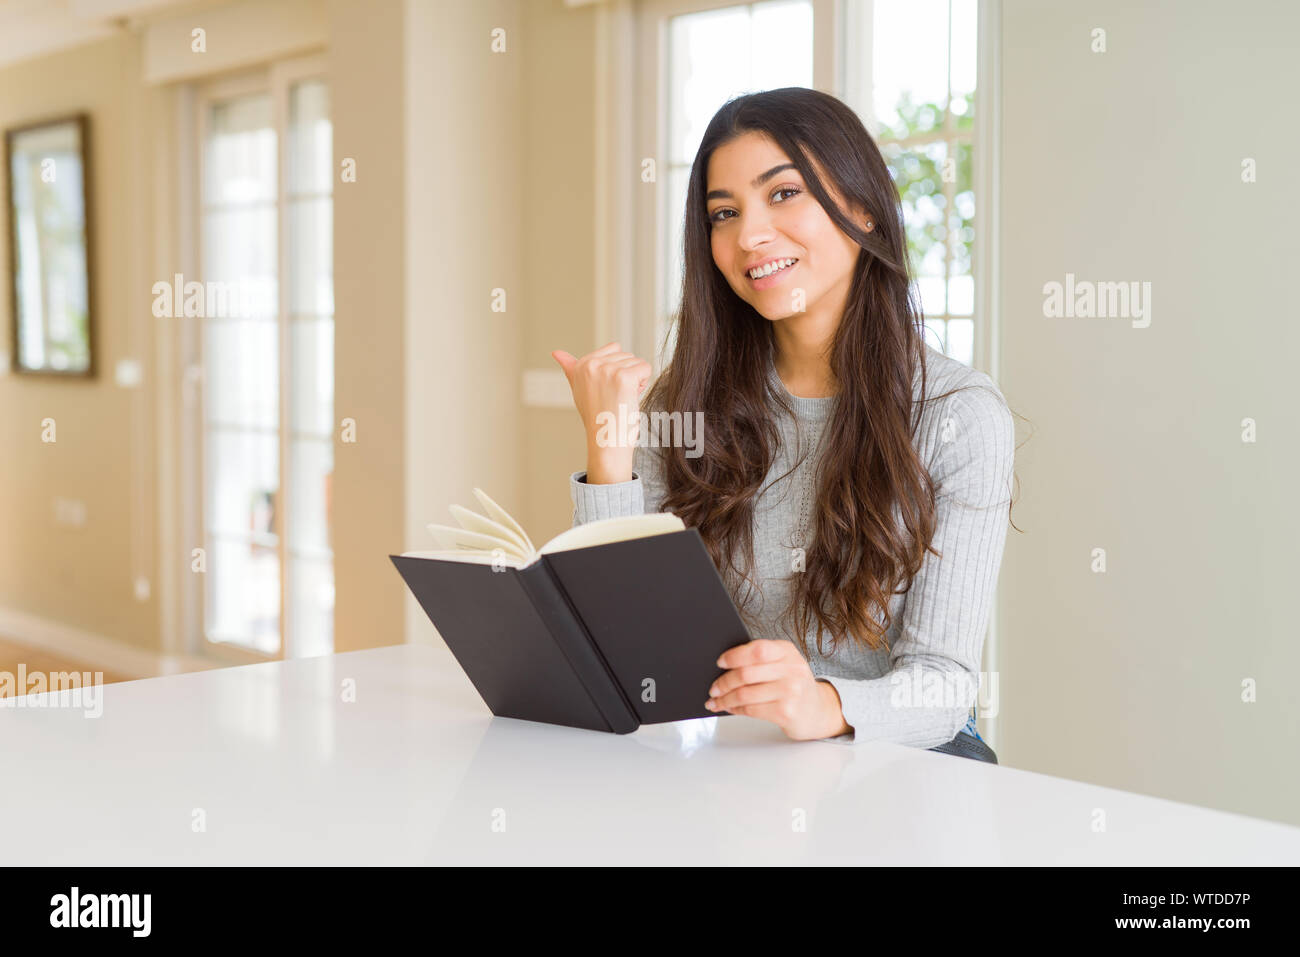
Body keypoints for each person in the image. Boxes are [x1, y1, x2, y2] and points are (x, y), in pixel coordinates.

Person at [552, 87, 1016, 748]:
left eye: (783, 193)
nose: (750, 235)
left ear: (863, 207)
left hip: (905, 764)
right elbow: (619, 647)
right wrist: (608, 448)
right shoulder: (686, 404)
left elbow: (941, 685)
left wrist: (821, 702)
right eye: (723, 212)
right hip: (743, 761)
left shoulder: (958, 416)